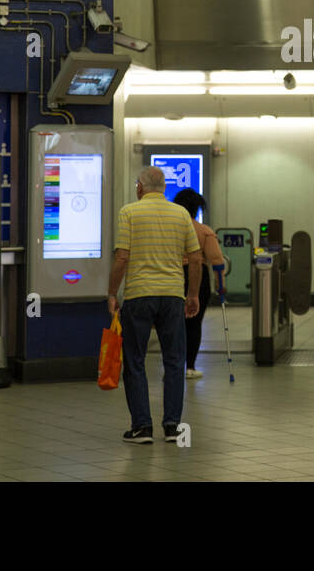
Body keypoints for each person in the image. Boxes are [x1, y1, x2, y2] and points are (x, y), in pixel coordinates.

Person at [107, 166, 202, 444]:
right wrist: (193, 294)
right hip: (173, 296)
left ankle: (142, 428)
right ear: (163, 187)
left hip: (138, 296)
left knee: (135, 360)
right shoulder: (181, 213)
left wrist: (113, 293)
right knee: (174, 360)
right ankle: (173, 427)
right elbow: (196, 259)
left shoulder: (130, 212)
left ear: (139, 187)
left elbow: (122, 257)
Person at [173, 188, 225, 380]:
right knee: (194, 324)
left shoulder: (171, 230)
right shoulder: (205, 232)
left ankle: (173, 366)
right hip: (198, 279)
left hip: (173, 277)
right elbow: (218, 262)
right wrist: (221, 287)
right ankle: (190, 367)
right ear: (197, 209)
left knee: (173, 323)